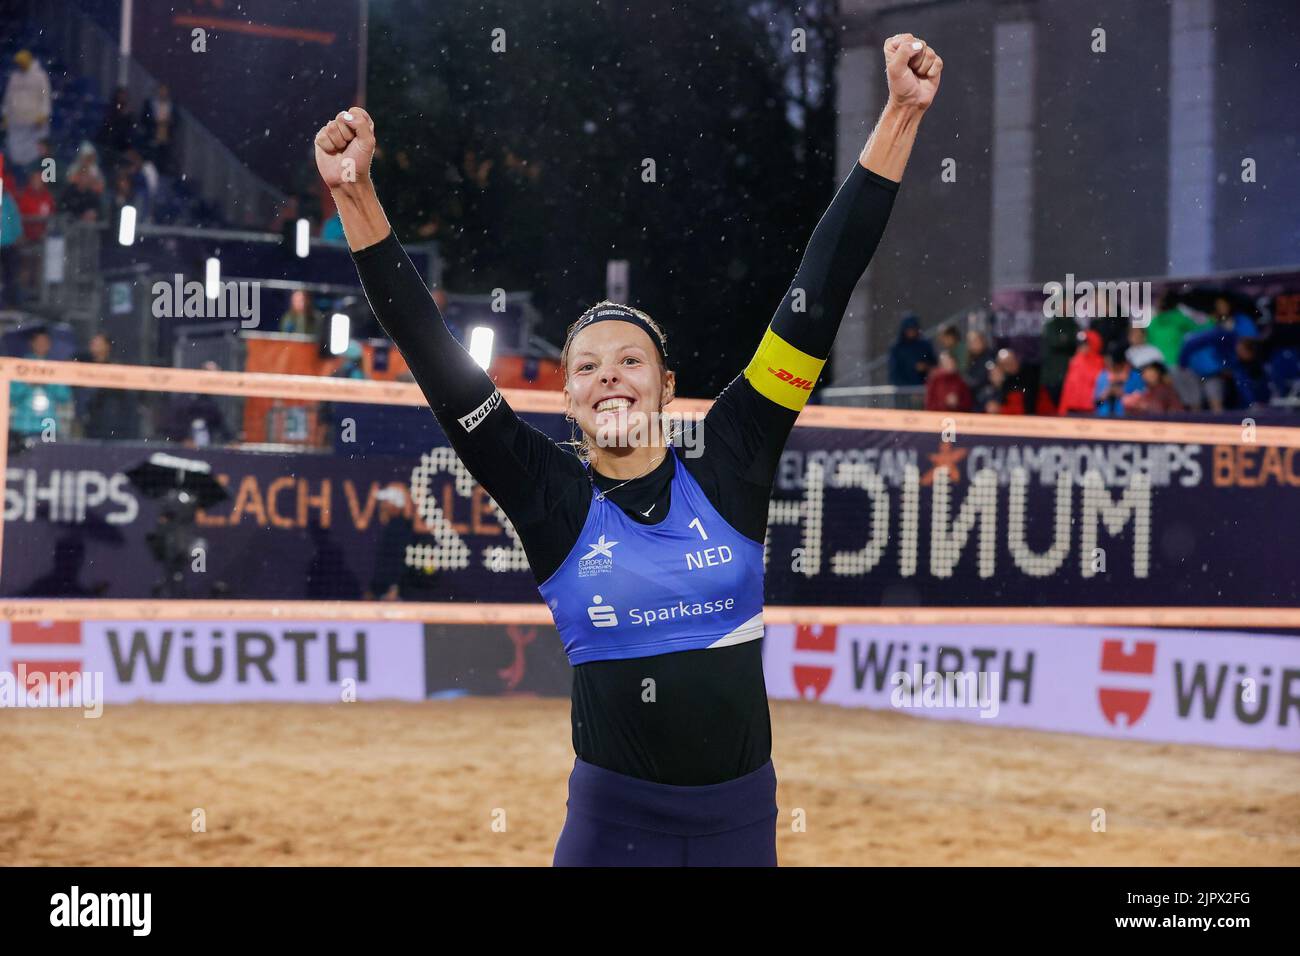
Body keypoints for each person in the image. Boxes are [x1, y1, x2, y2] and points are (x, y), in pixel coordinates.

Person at [318, 30, 941, 866]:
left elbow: (819, 293)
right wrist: (355, 193)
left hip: (741, 826)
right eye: (587, 367)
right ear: (567, 398)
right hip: (614, 829)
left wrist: (899, 112)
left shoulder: (734, 458)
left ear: (666, 387)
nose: (609, 377)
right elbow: (430, 350)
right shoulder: (548, 496)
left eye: (629, 361)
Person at [9, 328, 73, 442]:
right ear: (32, 343)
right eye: (38, 342)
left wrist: (48, 383)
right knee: (21, 457)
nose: (41, 345)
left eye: (45, 342)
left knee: (49, 456)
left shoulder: (55, 367)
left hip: (48, 422)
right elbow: (12, 396)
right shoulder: (21, 366)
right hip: (23, 423)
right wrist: (27, 385)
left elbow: (65, 396)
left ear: (50, 345)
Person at [75, 333, 141, 439]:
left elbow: (126, 398)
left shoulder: (116, 369)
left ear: (107, 346)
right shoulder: (83, 366)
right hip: (89, 423)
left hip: (111, 424)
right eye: (93, 344)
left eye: (99, 344)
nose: (95, 347)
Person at [1, 51, 51, 170]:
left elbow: (45, 97)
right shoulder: (15, 76)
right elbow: (8, 98)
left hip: (33, 122)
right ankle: (17, 172)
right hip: (16, 121)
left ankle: (30, 173)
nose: (20, 65)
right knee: (15, 150)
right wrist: (5, 115)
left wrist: (43, 115)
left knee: (32, 153)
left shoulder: (40, 76)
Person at [1057, 329, 1105, 415]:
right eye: (1080, 344)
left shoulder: (1099, 363)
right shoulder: (1075, 361)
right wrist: (1062, 409)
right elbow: (1068, 387)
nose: (1082, 347)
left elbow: (1101, 387)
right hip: (1072, 408)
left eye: (1085, 344)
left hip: (1091, 410)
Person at [1039, 309, 1079, 407]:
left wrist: (1065, 340)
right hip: (1053, 375)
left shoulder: (1074, 326)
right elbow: (1055, 342)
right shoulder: (1050, 326)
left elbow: (1076, 344)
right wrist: (1067, 341)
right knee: (1055, 405)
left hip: (1070, 375)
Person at [1093, 343, 1144, 417]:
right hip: (1104, 419)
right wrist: (1105, 395)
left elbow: (1142, 403)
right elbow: (1097, 403)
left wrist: (1123, 395)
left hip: (1129, 420)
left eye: (1117, 365)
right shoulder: (1103, 376)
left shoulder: (1135, 377)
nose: (1113, 367)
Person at [888, 312, 936, 387]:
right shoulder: (897, 348)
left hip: (922, 388)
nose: (911, 332)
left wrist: (925, 367)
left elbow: (934, 365)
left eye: (913, 329)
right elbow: (894, 373)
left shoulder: (925, 345)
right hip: (903, 391)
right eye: (909, 329)